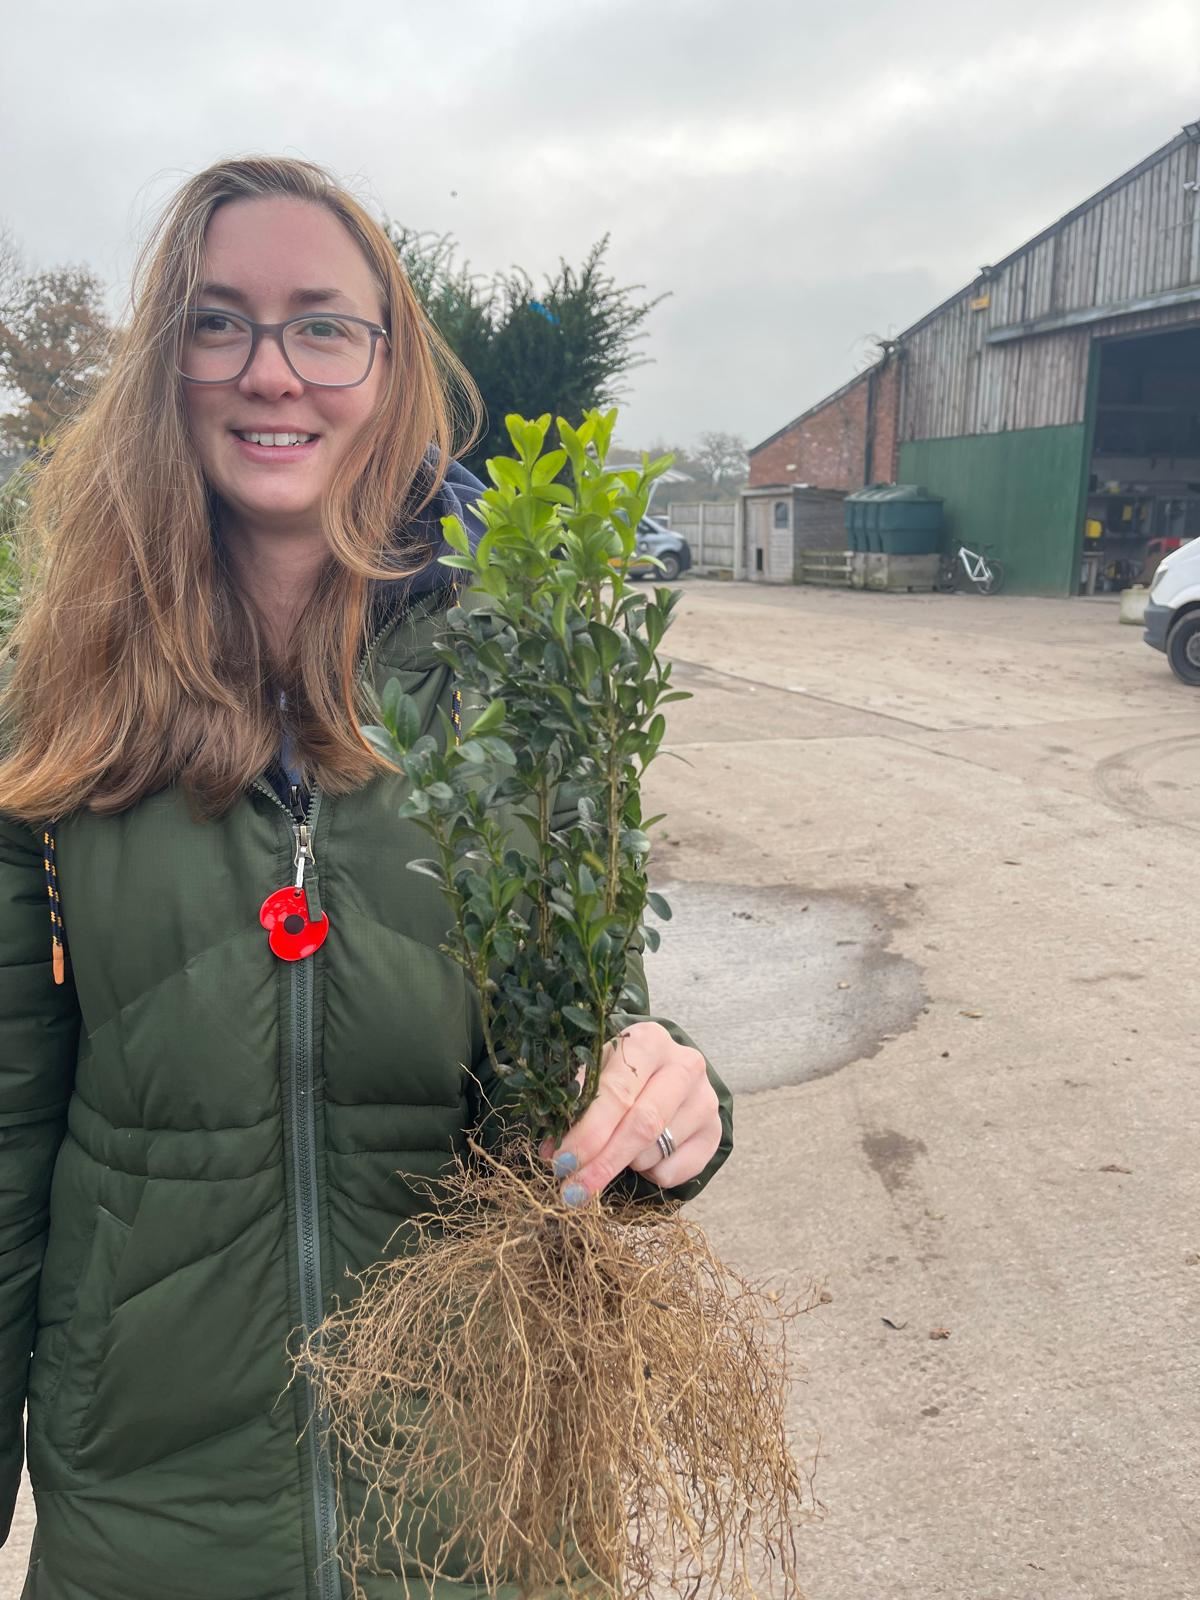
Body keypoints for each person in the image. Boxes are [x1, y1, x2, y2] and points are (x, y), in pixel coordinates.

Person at [0, 156, 733, 1600]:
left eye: (322, 324)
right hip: (154, 1522)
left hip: (481, 1502)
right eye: (219, 323)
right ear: (166, 366)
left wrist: (665, 1109)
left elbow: (580, 1049)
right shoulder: (55, 722)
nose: (270, 372)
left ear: (388, 365)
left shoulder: (525, 692)